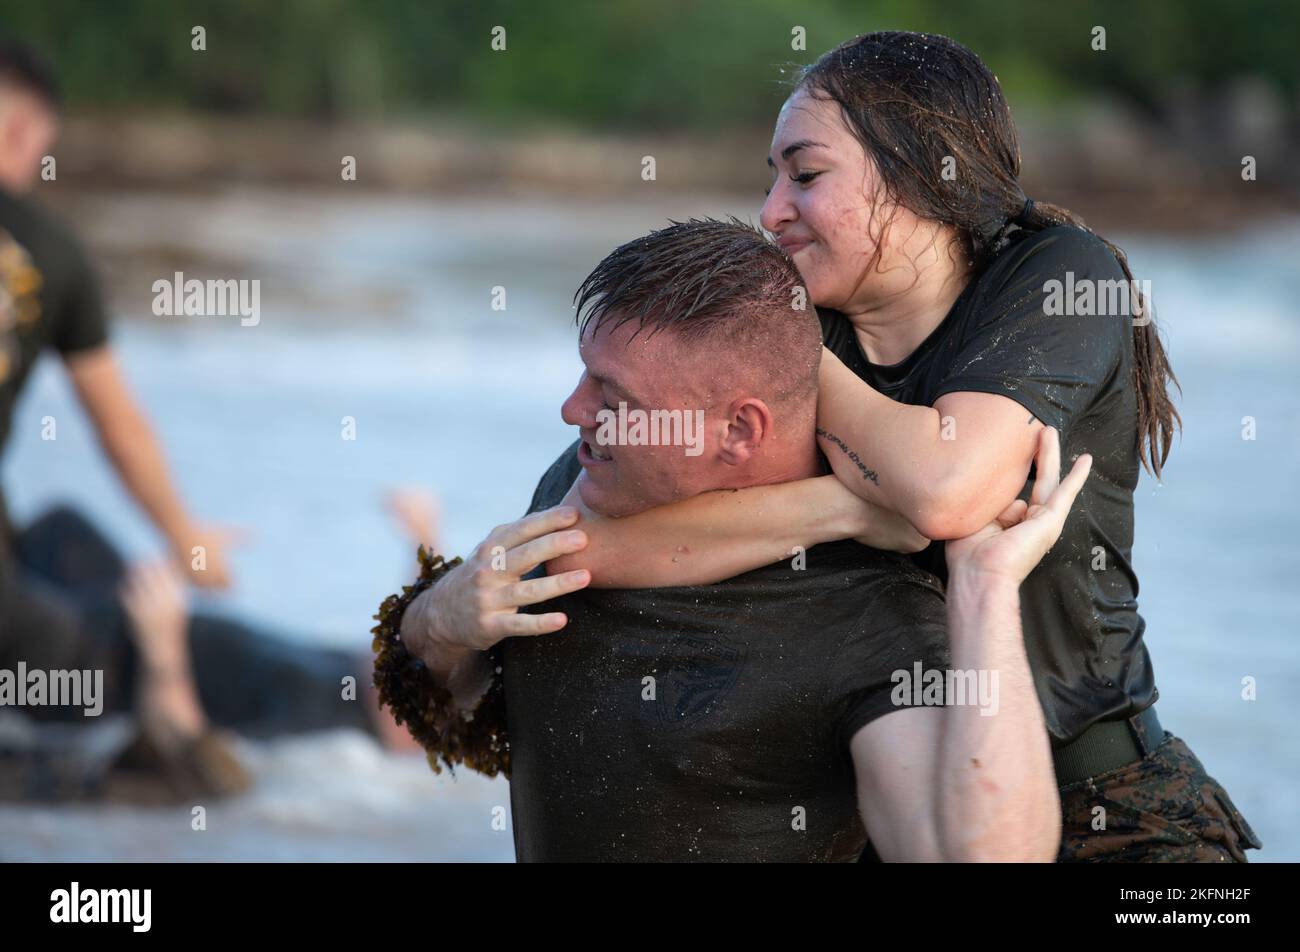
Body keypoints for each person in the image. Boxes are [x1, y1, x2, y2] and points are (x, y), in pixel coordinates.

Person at [536, 32, 1261, 863]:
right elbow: (575, 540)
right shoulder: (814, 320)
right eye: (771, 179)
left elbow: (944, 491)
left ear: (921, 171)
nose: (772, 211)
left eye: (805, 176)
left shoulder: (1057, 275)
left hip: (1108, 810)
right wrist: (846, 503)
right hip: (889, 813)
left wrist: (794, 357)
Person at [383, 219, 1086, 862]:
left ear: (739, 431)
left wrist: (986, 589)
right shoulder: (585, 478)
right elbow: (441, 710)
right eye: (583, 373)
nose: (573, 410)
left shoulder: (870, 616)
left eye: (612, 396)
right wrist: (443, 619)